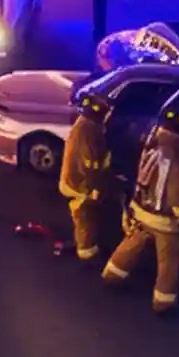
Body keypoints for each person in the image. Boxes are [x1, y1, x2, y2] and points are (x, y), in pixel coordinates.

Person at [102, 85, 179, 314]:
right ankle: (164, 302)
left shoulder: (152, 141)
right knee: (168, 260)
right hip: (164, 220)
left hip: (141, 209)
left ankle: (112, 274)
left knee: (132, 244)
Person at [58, 93, 113, 263]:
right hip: (80, 184)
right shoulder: (89, 131)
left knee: (84, 215)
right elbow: (91, 163)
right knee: (85, 217)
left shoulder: (83, 125)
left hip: (75, 180)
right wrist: (94, 188)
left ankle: (84, 245)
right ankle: (86, 252)